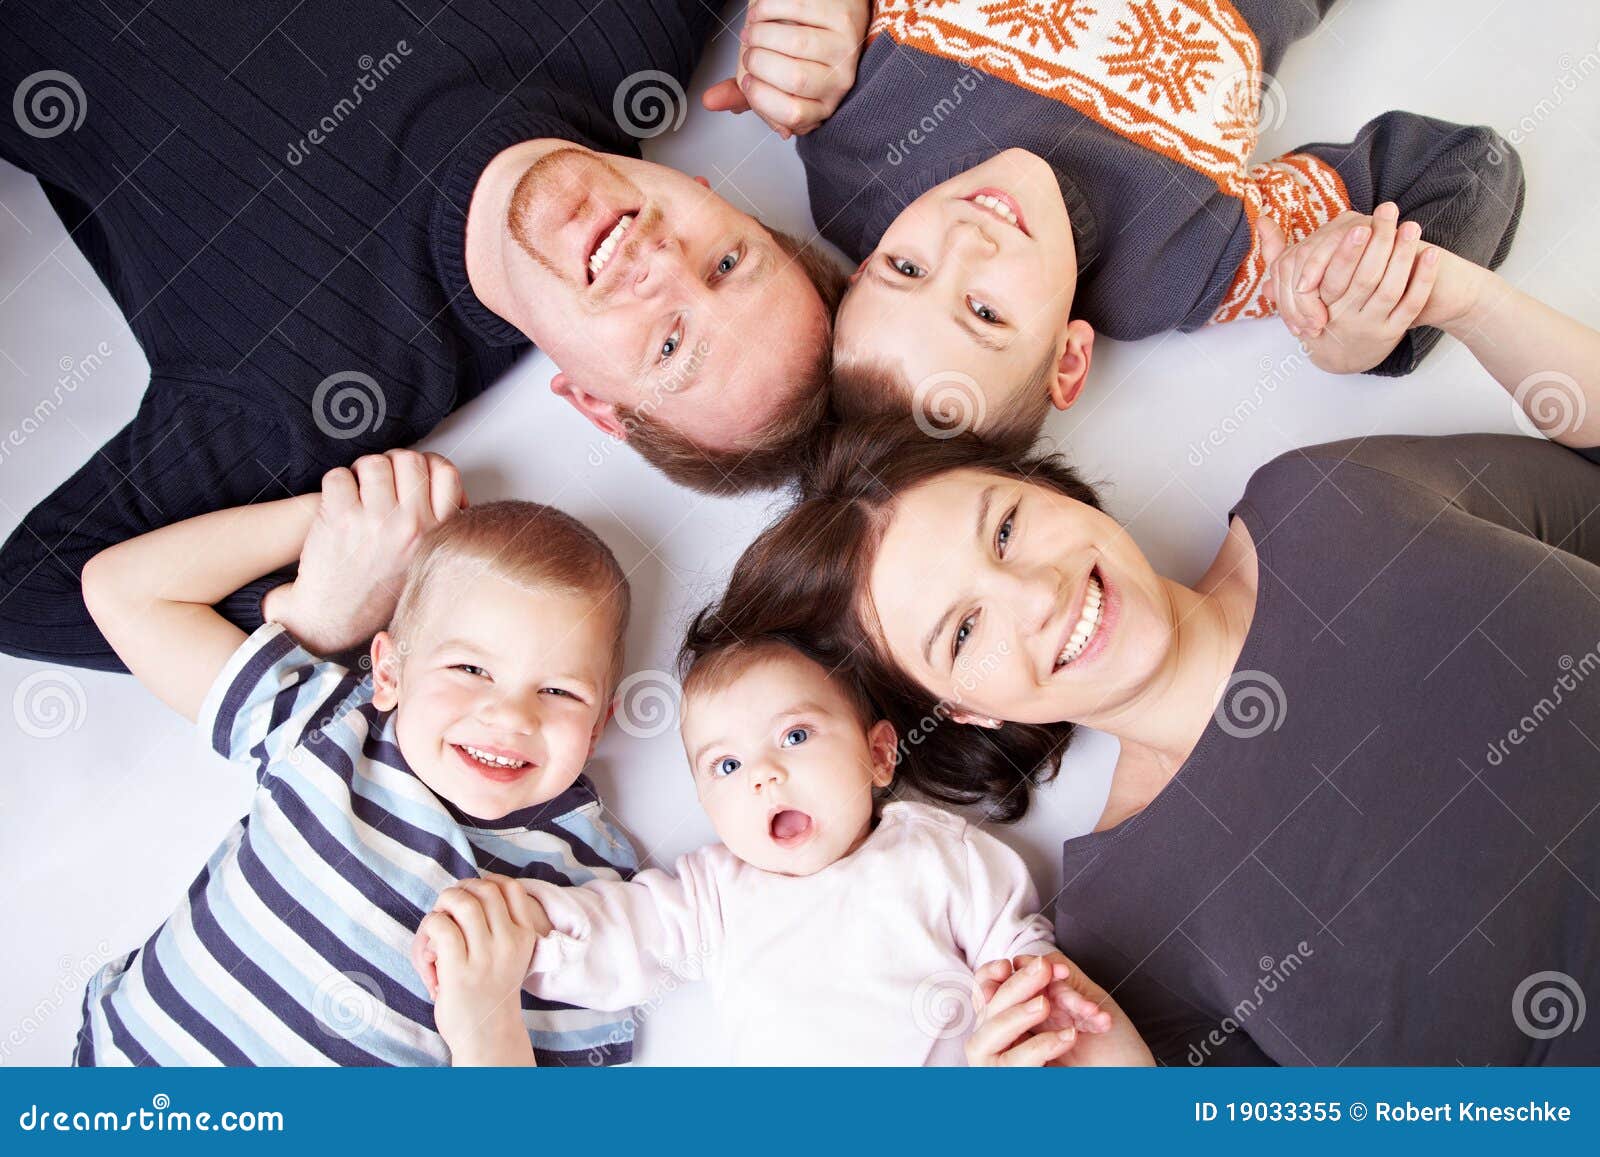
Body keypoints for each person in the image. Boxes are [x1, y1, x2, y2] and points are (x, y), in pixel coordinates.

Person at [700, 227, 1600, 1064]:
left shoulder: (1325, 499)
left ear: (1052, 489)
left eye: (1006, 529)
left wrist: (1462, 298)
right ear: (966, 709)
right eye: (964, 631)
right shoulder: (1119, 933)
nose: (1036, 593)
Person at [0, 0, 843, 672]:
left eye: (669, 346)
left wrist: (304, 613)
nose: (661, 263)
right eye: (728, 261)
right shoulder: (624, 28)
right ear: (714, 193)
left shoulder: (308, 391)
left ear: (593, 403)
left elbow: (32, 590)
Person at [74, 450, 641, 1065]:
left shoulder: (590, 890)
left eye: (558, 691)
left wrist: (487, 1023)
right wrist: (328, 519)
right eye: (470, 669)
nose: (510, 716)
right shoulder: (336, 728)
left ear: (596, 729)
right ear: (389, 673)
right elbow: (124, 592)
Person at [770, 0, 1523, 443]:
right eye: (985, 311)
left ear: (861, 268)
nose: (965, 242)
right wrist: (1373, 314)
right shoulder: (1175, 267)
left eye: (905, 268)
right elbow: (1468, 166)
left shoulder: (849, 150)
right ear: (1068, 358)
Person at [412, 631, 1153, 1066]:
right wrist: (518, 925)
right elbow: (621, 938)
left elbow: (1016, 945)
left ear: (879, 755)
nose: (764, 774)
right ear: (709, 807)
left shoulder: (939, 853)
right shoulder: (715, 893)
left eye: (795, 735)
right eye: (727, 766)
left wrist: (1033, 988)